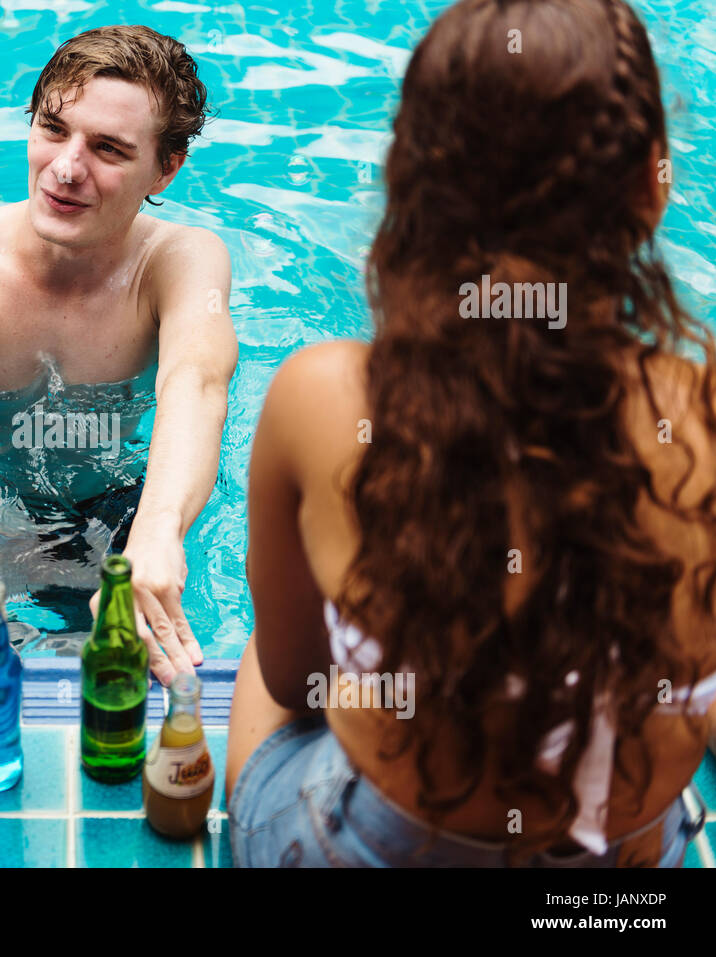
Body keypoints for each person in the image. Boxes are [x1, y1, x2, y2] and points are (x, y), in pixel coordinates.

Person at [227, 0, 716, 867]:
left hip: (380, 846)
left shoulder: (327, 396)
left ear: (413, 184)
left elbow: (295, 677)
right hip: (626, 866)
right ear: (651, 185)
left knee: (260, 658)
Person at [0, 25, 238, 686]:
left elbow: (198, 384)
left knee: (134, 658)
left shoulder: (179, 263)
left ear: (166, 167)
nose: (67, 167)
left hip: (103, 504)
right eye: (53, 129)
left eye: (109, 149)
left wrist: (158, 532)